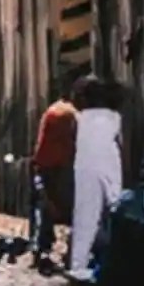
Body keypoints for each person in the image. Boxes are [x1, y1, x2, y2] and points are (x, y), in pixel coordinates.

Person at [68, 74, 124, 279]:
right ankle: (119, 260)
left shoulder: (80, 120)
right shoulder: (114, 118)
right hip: (109, 160)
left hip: (85, 165)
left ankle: (78, 265)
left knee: (85, 216)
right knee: (117, 209)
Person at [31, 77, 81, 267]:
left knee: (44, 210)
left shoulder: (54, 111)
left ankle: (41, 249)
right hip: (62, 168)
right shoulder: (68, 114)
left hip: (48, 165)